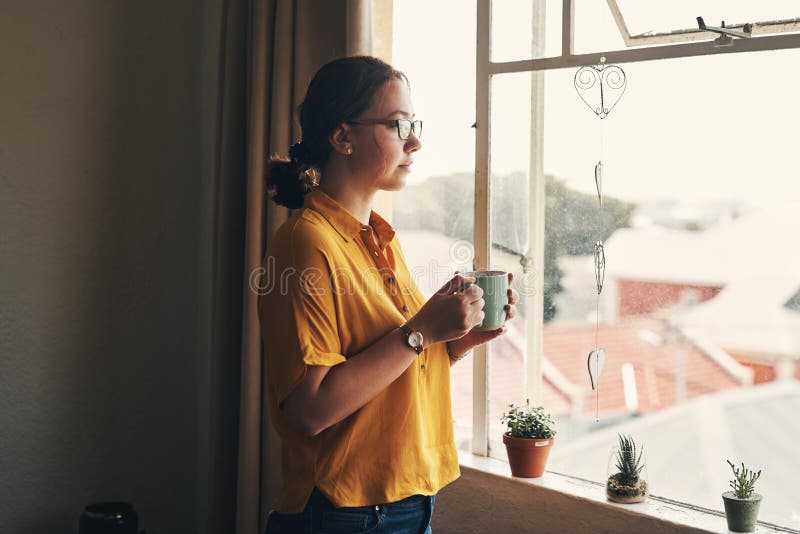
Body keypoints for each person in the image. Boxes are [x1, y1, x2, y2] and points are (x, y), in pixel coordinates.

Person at [258, 55, 518, 534]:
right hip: (345, 514)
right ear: (343, 138)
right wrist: (421, 331)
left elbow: (390, 368)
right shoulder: (307, 242)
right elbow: (309, 411)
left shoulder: (378, 238)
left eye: (412, 124)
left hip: (406, 504)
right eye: (399, 125)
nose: (415, 140)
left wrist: (456, 337)